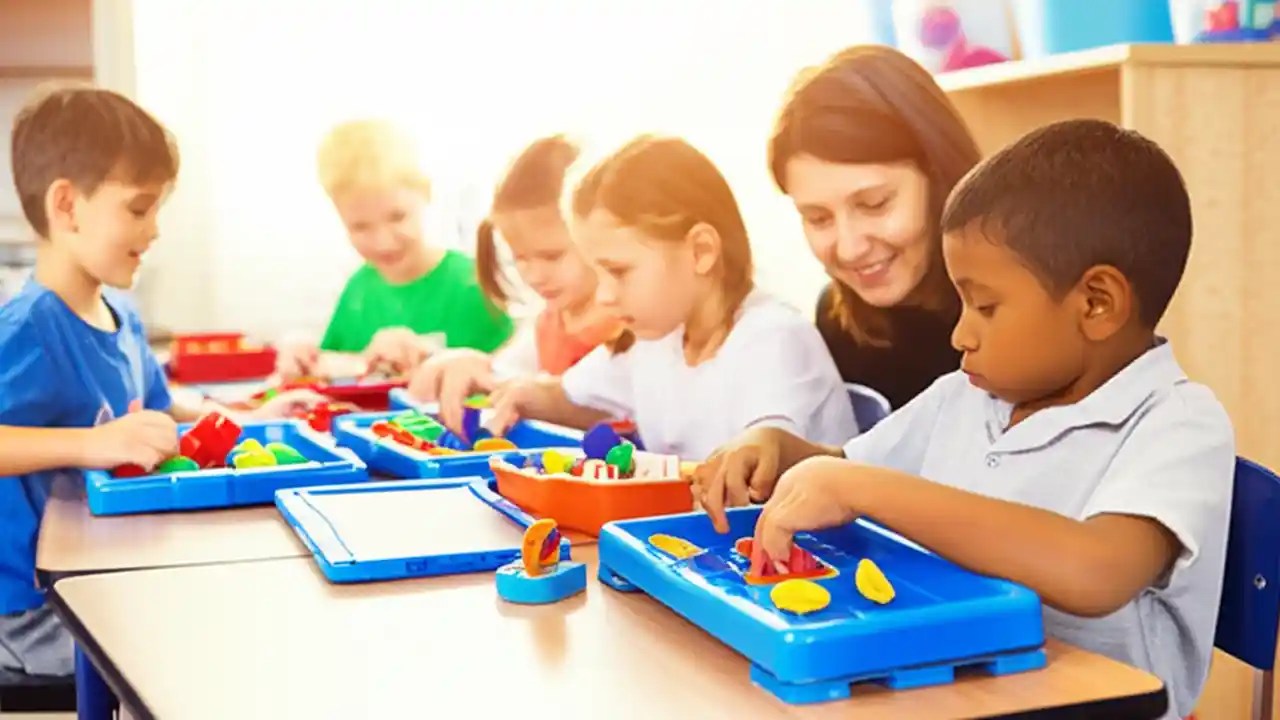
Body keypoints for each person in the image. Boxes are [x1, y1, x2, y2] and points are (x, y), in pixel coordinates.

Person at [700, 119, 1233, 720]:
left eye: (985, 306)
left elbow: (1096, 572)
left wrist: (861, 487)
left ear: (1096, 303)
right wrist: (774, 447)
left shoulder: (1178, 422)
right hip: (946, 681)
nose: (960, 334)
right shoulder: (966, 396)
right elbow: (845, 471)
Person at [0, 85, 316, 679]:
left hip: (98, 565)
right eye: (140, 209)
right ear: (66, 206)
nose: (156, 230)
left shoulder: (122, 317)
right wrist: (90, 444)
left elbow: (162, 410)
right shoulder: (29, 330)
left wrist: (255, 415)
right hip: (31, 610)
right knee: (187, 659)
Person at [485, 135, 855, 461]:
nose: (605, 296)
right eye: (598, 274)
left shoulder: (774, 341)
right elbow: (573, 398)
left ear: (701, 251)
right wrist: (525, 394)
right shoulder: (656, 339)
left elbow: (757, 477)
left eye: (618, 272)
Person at [770, 45, 981, 408]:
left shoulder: (1027, 309)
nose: (850, 248)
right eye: (818, 218)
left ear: (939, 177)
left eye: (874, 204)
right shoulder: (838, 322)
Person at [406, 135, 621, 433]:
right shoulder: (549, 321)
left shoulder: (628, 325)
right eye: (520, 257)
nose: (534, 276)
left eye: (551, 256)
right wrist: (465, 362)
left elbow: (614, 403)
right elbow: (505, 373)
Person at [275, 119, 514, 379]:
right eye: (360, 227)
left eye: (398, 217)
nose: (383, 242)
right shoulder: (358, 288)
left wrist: (426, 358)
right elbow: (333, 373)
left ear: (426, 192)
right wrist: (306, 358)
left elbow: (506, 377)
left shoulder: (474, 283)